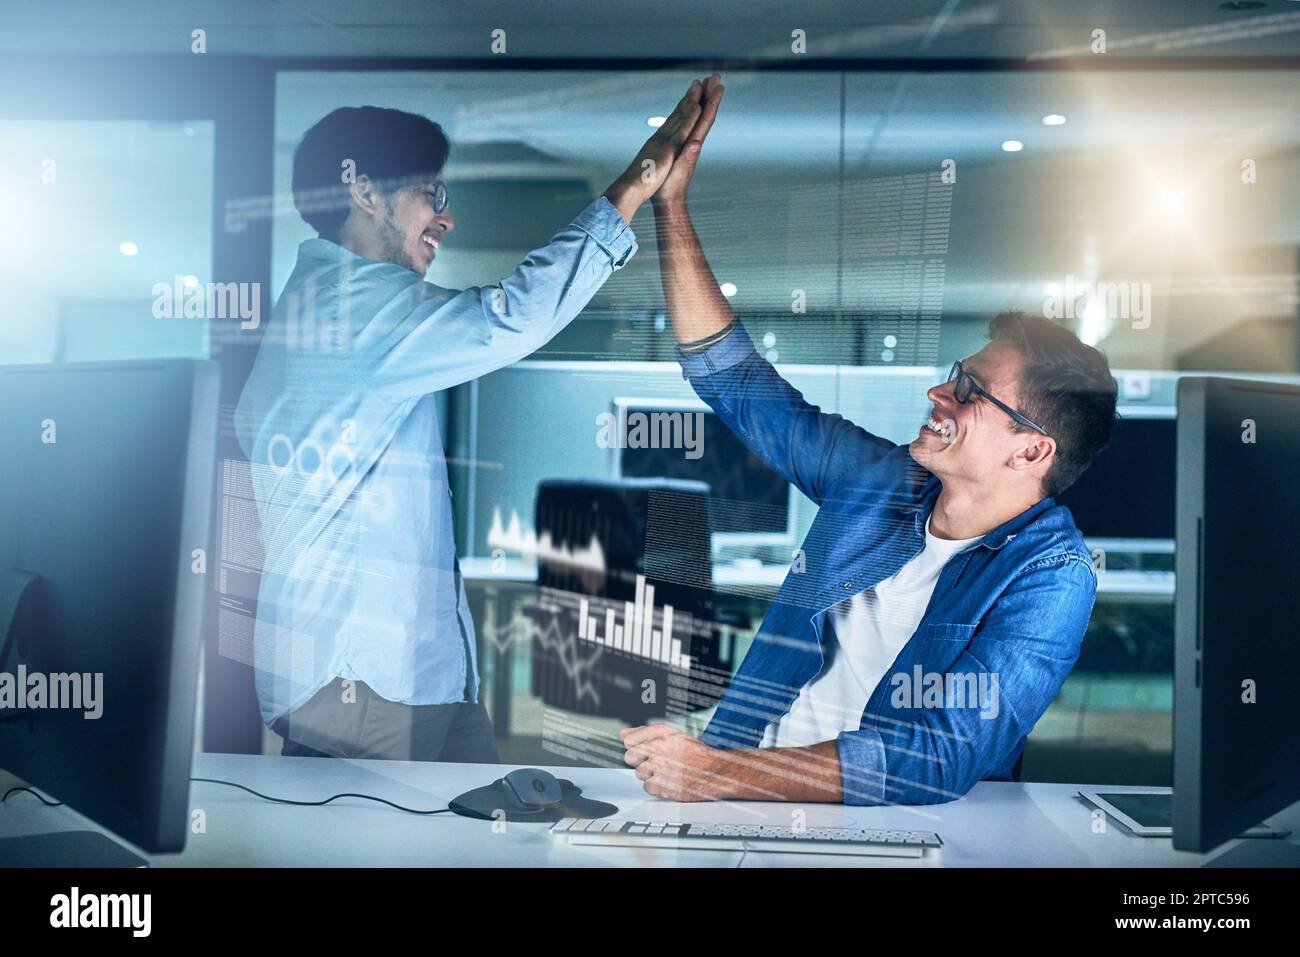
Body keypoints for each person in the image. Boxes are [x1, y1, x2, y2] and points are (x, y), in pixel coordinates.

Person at [621, 74, 1119, 805]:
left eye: (972, 393)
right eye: (957, 375)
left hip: (885, 833)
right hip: (728, 801)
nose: (938, 394)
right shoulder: (879, 479)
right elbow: (734, 380)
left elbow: (936, 757)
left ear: (1031, 449)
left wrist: (713, 772)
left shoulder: (1051, 575)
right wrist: (670, 205)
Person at [235, 82, 711, 762]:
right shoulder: (351, 312)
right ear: (364, 192)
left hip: (385, 681)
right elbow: (509, 317)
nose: (445, 217)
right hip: (366, 685)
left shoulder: (317, 311)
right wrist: (632, 188)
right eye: (431, 193)